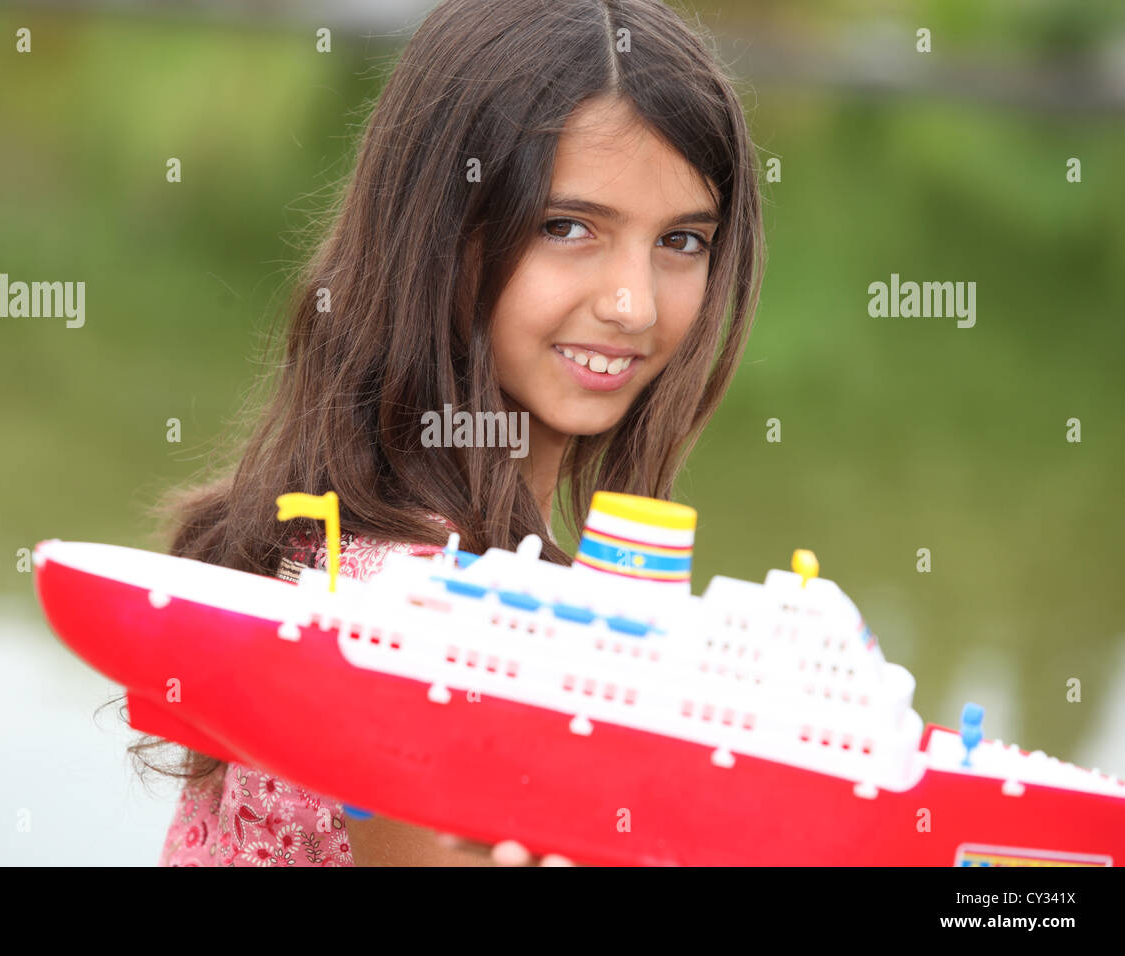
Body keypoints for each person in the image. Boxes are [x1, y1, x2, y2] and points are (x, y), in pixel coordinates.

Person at [133, 0, 764, 866]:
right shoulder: (415, 617)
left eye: (682, 241)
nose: (635, 304)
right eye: (568, 228)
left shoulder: (401, 554)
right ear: (441, 235)